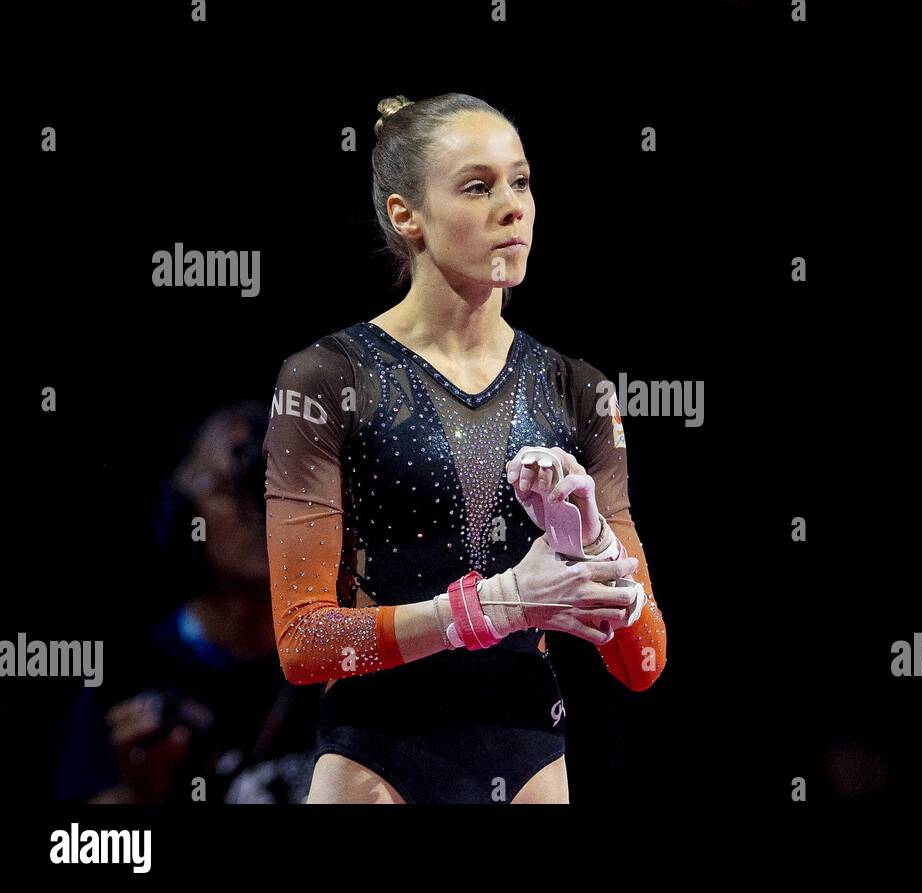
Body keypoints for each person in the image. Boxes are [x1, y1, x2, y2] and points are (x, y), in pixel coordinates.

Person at [262, 93, 667, 804]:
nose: (512, 207)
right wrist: (502, 602)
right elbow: (303, 643)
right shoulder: (328, 379)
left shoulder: (578, 391)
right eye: (477, 186)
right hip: (374, 758)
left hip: (528, 756)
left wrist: (591, 540)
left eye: (521, 181)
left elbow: (643, 663)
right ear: (405, 215)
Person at [57, 402, 319, 804]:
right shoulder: (130, 674)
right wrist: (139, 792)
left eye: (280, 485)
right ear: (183, 511)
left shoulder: (343, 658)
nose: (260, 510)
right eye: (234, 489)